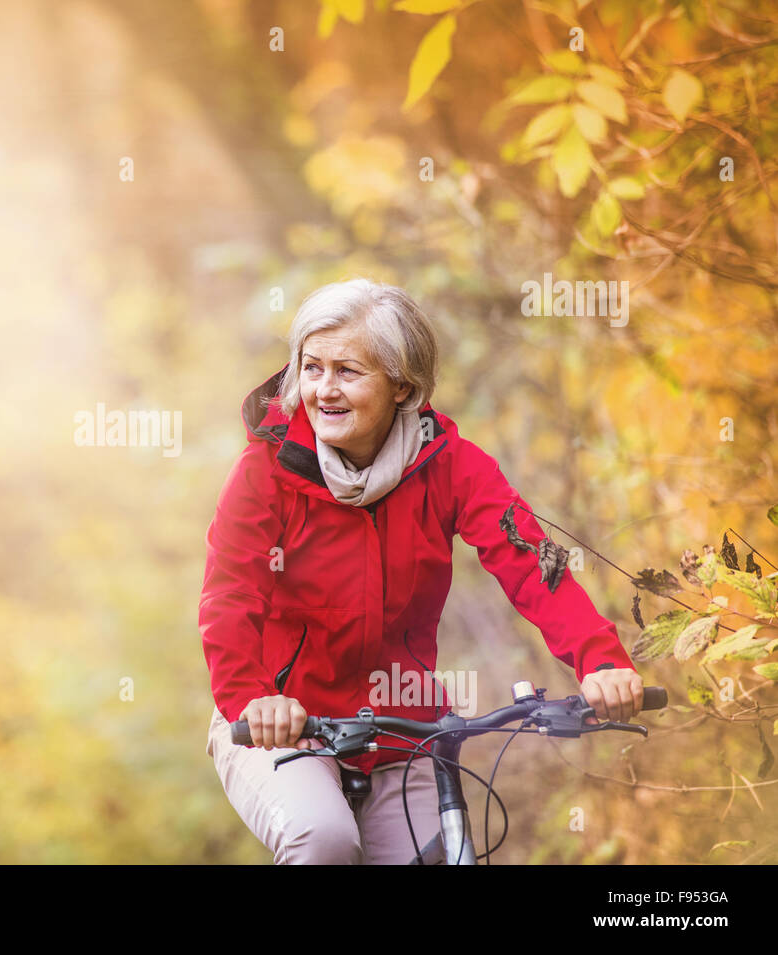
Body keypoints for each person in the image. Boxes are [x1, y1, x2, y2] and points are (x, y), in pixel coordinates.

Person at [199, 279, 643, 864]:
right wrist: (252, 698)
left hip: (402, 734)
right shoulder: (265, 471)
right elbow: (230, 598)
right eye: (311, 368)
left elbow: (531, 565)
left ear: (402, 385)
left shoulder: (453, 465)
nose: (323, 390)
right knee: (324, 841)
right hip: (278, 723)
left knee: (441, 855)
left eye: (348, 372)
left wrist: (600, 659)